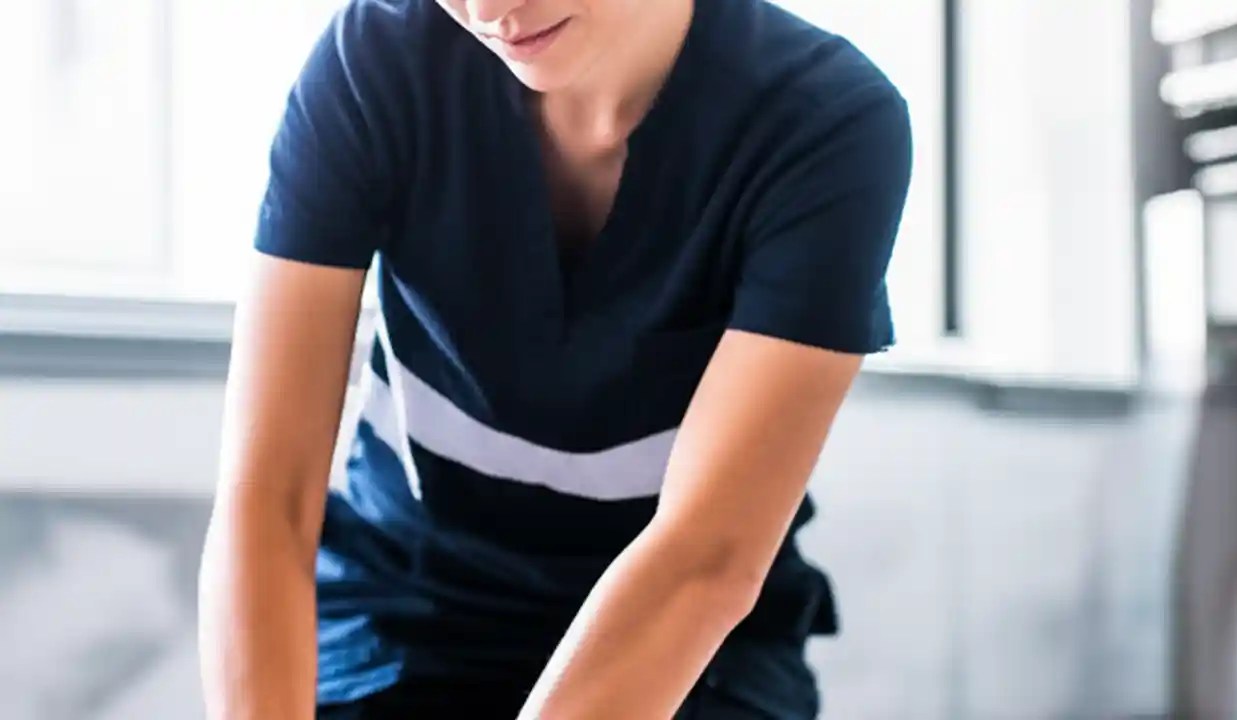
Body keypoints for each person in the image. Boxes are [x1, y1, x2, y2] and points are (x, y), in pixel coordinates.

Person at [197, 0, 912, 717]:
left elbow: (707, 559)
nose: (487, 9)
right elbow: (270, 495)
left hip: (697, 653)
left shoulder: (827, 124)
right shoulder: (376, 55)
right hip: (400, 608)